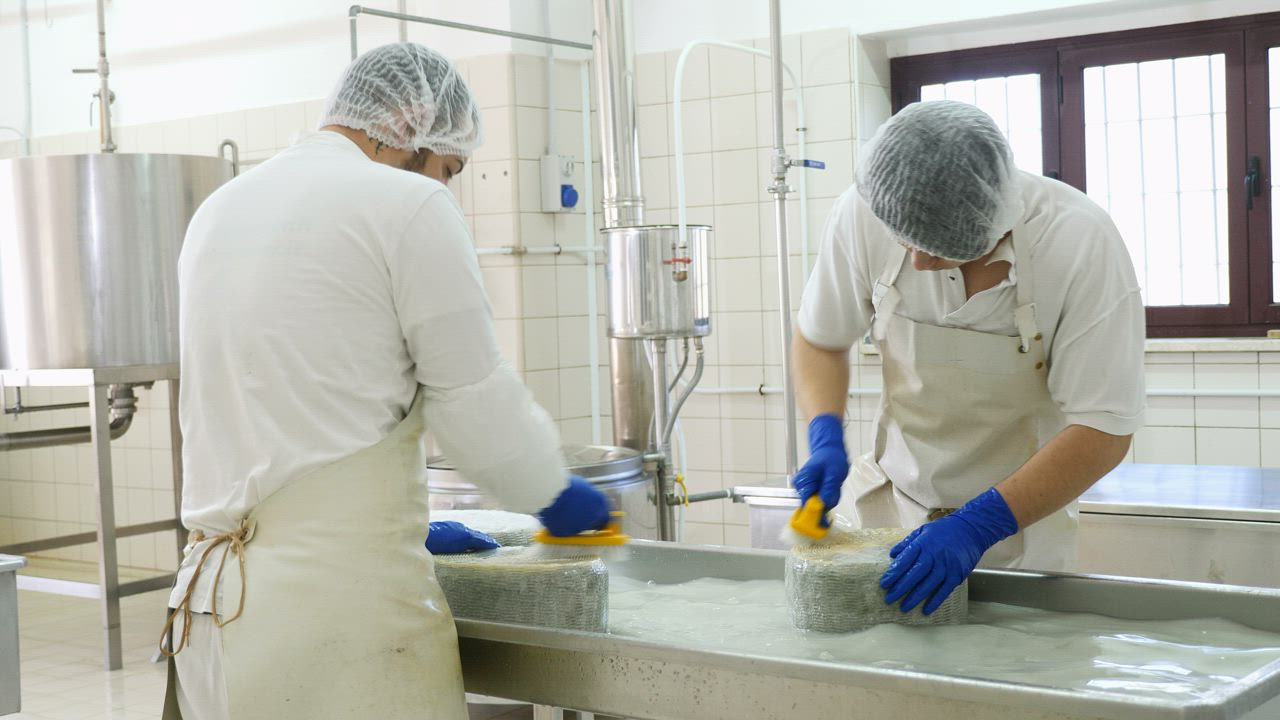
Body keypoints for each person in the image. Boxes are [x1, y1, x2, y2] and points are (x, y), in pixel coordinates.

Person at [161, 43, 610, 720]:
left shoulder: (221, 210)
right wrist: (552, 493)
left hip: (211, 610)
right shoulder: (409, 205)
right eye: (450, 167)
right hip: (335, 626)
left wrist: (377, 523)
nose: (446, 184)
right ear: (415, 125)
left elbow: (285, 403)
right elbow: (472, 401)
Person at [792, 101, 1145, 617]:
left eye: (933, 248)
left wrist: (977, 524)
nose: (915, 260)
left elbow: (1104, 430)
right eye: (903, 240)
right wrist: (824, 434)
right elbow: (820, 339)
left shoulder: (1080, 243)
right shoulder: (869, 208)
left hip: (1021, 535)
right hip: (889, 516)